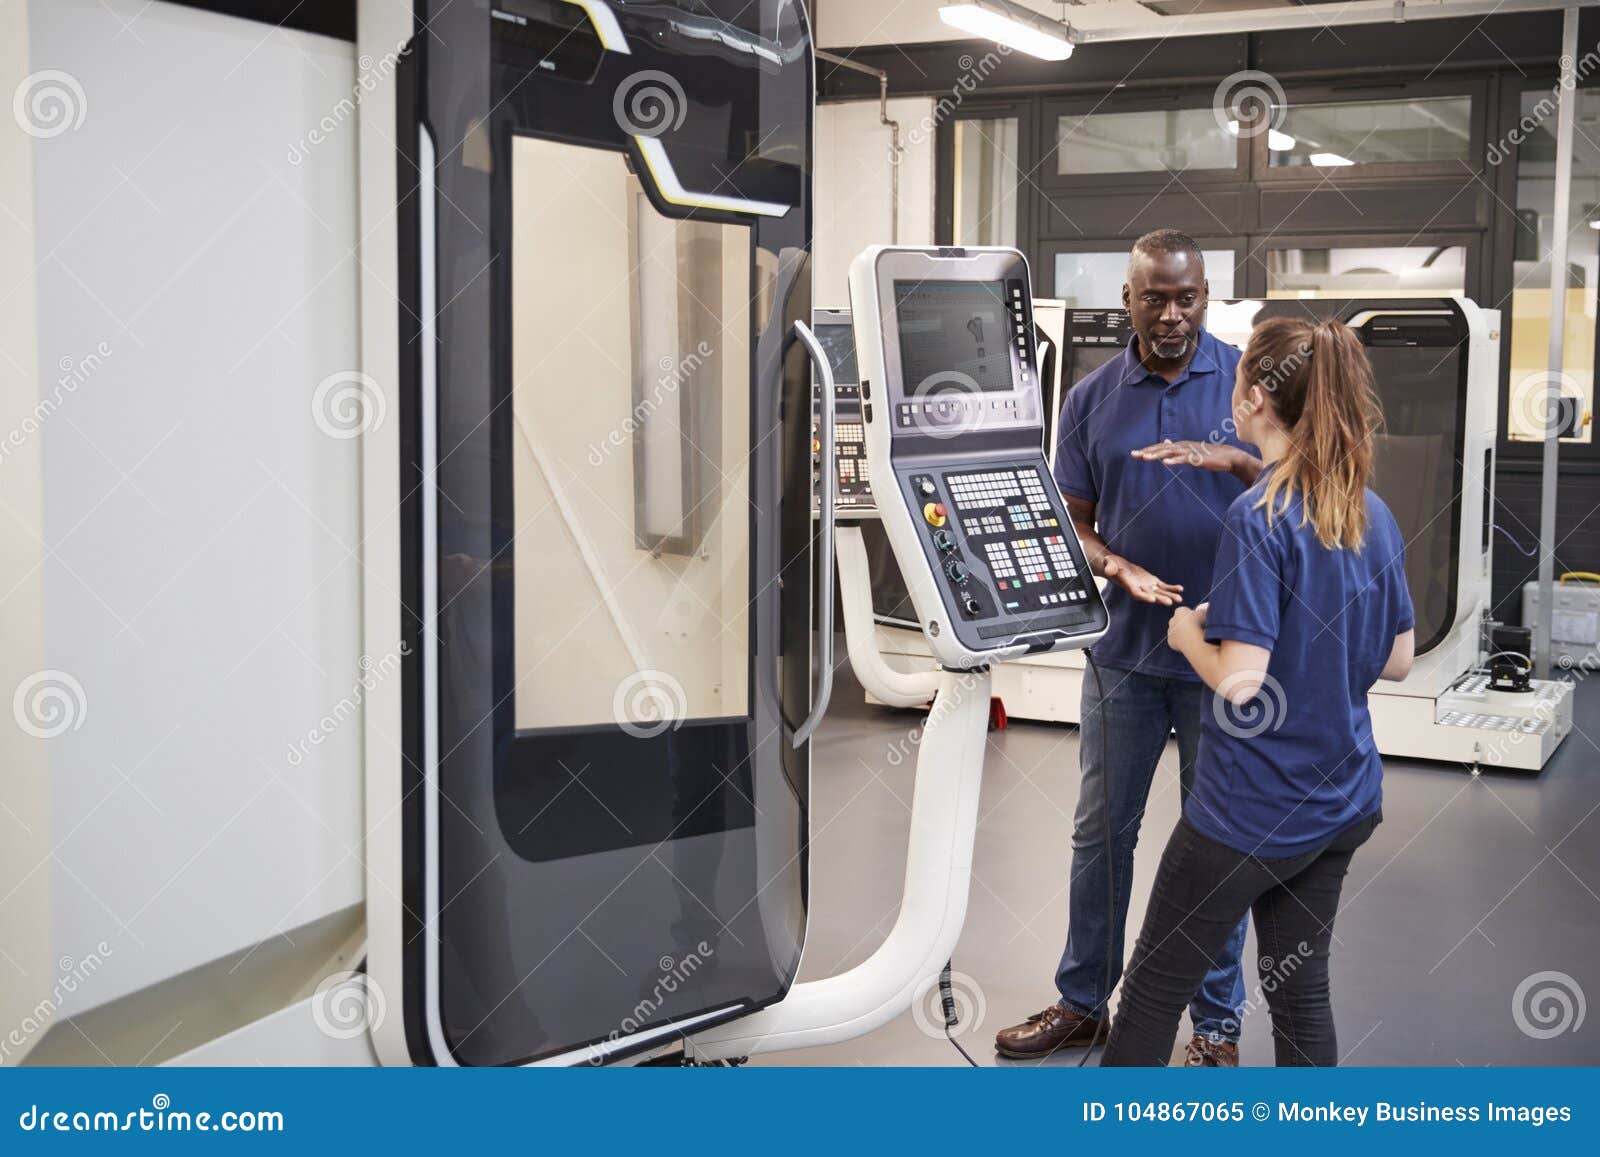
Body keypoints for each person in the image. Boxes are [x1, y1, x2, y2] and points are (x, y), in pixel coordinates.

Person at [1100, 316, 1416, 1067]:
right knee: (1301, 991)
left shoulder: (1259, 515)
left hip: (1250, 812)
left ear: (1256, 400)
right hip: (1340, 801)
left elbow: (1242, 684)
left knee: (1150, 995)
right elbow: (1399, 659)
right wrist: (1298, 642)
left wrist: (1188, 636)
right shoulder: (1366, 507)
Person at [994, 230, 1261, 1067]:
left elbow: (1301, 490)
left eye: (1187, 297)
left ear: (1206, 295)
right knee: (1101, 834)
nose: (1172, 314)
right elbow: (1071, 522)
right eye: (1156, 298)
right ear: (1128, 300)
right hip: (1123, 656)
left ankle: (1215, 1024)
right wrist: (1116, 564)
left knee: (1218, 839)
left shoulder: (1251, 385)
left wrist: (1235, 460)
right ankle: (1084, 1003)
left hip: (1228, 654)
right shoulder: (1090, 398)